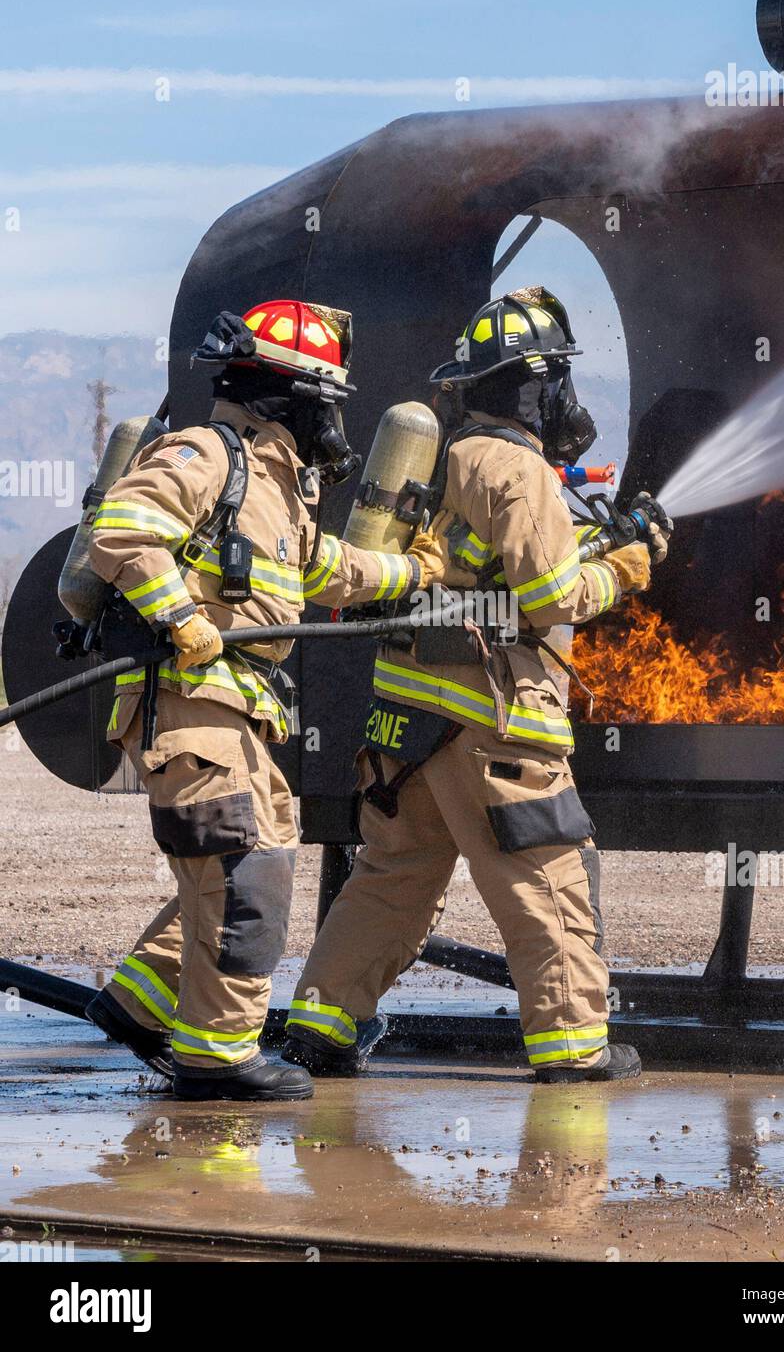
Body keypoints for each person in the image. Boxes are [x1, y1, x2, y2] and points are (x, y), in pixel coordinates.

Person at [284, 287, 670, 1083]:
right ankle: (573, 1050)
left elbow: (483, 564)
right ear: (535, 384)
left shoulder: (447, 459)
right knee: (548, 880)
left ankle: (319, 1027)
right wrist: (625, 570)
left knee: (390, 881)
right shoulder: (520, 470)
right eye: (557, 377)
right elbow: (553, 597)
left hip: (406, 726)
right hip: (496, 727)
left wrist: (600, 538)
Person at [84, 300, 453, 1101]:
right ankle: (217, 1059)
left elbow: (329, 572)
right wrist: (179, 617)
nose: (333, 417)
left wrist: (419, 572)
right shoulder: (208, 453)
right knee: (244, 874)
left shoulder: (275, 488)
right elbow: (121, 527)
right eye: (324, 399)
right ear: (285, 393)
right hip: (187, 700)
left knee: (248, 860)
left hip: (235, 709)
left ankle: (142, 1005)